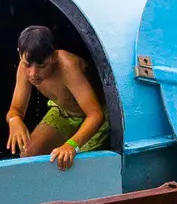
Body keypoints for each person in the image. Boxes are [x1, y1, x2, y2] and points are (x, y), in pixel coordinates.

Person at [6, 25, 107, 169]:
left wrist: (71, 145)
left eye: (41, 66)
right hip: (64, 111)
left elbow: (96, 115)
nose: (33, 74)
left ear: (53, 57)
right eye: (27, 65)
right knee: (28, 154)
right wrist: (14, 119)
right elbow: (16, 109)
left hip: (96, 116)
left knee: (74, 164)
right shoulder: (25, 67)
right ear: (20, 54)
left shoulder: (67, 67)